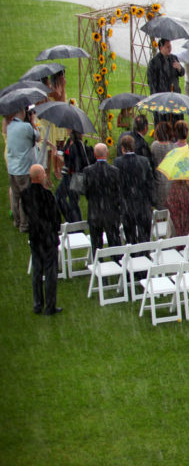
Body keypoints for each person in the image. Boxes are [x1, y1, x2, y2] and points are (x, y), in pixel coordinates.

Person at [21, 164, 61, 315]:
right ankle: (50, 306)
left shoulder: (25, 195)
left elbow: (28, 213)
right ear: (39, 177)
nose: (45, 175)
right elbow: (55, 217)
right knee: (50, 272)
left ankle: (37, 304)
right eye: (44, 173)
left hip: (35, 236)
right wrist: (53, 228)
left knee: (37, 270)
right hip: (48, 237)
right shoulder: (48, 195)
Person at [113, 134, 155, 245]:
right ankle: (145, 256)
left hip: (127, 205)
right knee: (144, 238)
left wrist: (118, 202)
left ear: (122, 148)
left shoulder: (117, 163)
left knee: (130, 238)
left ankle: (133, 257)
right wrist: (151, 201)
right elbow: (150, 183)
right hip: (143, 203)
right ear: (134, 147)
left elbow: (116, 185)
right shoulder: (144, 161)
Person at [82, 142, 122, 254]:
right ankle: (118, 264)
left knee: (96, 243)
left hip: (95, 211)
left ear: (94, 155)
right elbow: (118, 192)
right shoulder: (114, 171)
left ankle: (98, 264)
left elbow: (86, 192)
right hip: (111, 211)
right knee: (114, 241)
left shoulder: (88, 171)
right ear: (107, 154)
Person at [6, 105, 38, 232]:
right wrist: (33, 122)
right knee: (25, 197)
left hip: (12, 168)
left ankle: (17, 220)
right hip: (23, 168)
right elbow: (37, 137)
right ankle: (24, 225)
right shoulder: (26, 127)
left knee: (15, 196)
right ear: (23, 112)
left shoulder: (9, 126)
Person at [165, 121, 189, 237]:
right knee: (188, 217)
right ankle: (188, 238)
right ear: (187, 133)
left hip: (175, 187)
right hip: (187, 188)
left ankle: (173, 240)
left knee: (174, 216)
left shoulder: (172, 149)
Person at [55, 129, 90, 223]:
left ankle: (76, 223)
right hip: (68, 176)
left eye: (68, 128)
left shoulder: (78, 145)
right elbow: (64, 153)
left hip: (75, 176)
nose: (66, 129)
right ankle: (71, 220)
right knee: (59, 197)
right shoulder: (69, 141)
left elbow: (77, 163)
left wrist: (63, 158)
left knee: (72, 202)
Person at [149, 121, 175, 210]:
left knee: (161, 211)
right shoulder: (174, 147)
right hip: (172, 182)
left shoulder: (154, 146)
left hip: (159, 183)